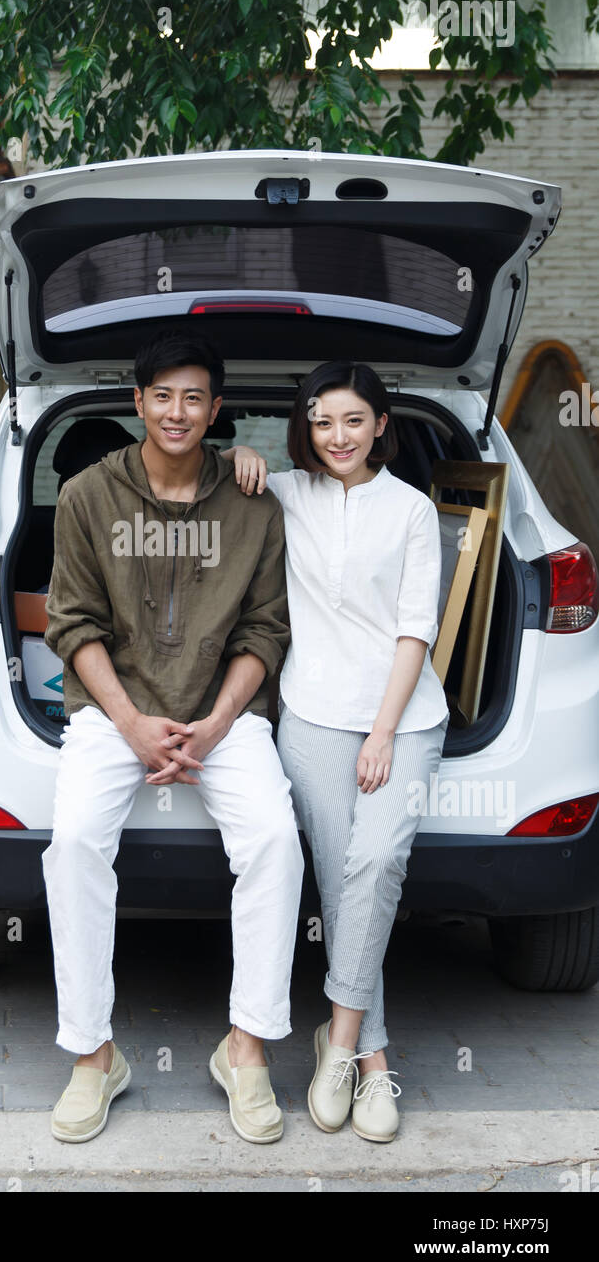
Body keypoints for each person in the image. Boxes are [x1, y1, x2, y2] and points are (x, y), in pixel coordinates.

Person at [42, 328, 304, 1145]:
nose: (178, 411)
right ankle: (93, 1057)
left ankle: (247, 1048)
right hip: (111, 714)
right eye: (163, 396)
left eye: (195, 397)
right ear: (139, 404)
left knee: (274, 842)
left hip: (222, 719)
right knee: (76, 842)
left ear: (217, 409)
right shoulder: (88, 496)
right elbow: (70, 622)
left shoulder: (253, 499)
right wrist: (129, 724)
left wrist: (218, 724)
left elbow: (266, 631)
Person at [221, 361, 449, 1143]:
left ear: (381, 424)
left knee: (377, 860)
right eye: (322, 422)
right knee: (342, 879)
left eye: (354, 420)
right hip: (312, 714)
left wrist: (384, 731)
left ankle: (345, 1044)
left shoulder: (414, 511)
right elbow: (204, 468)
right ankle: (378, 1060)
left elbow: (416, 627)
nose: (338, 436)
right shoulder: (288, 492)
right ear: (305, 429)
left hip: (404, 717)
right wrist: (238, 456)